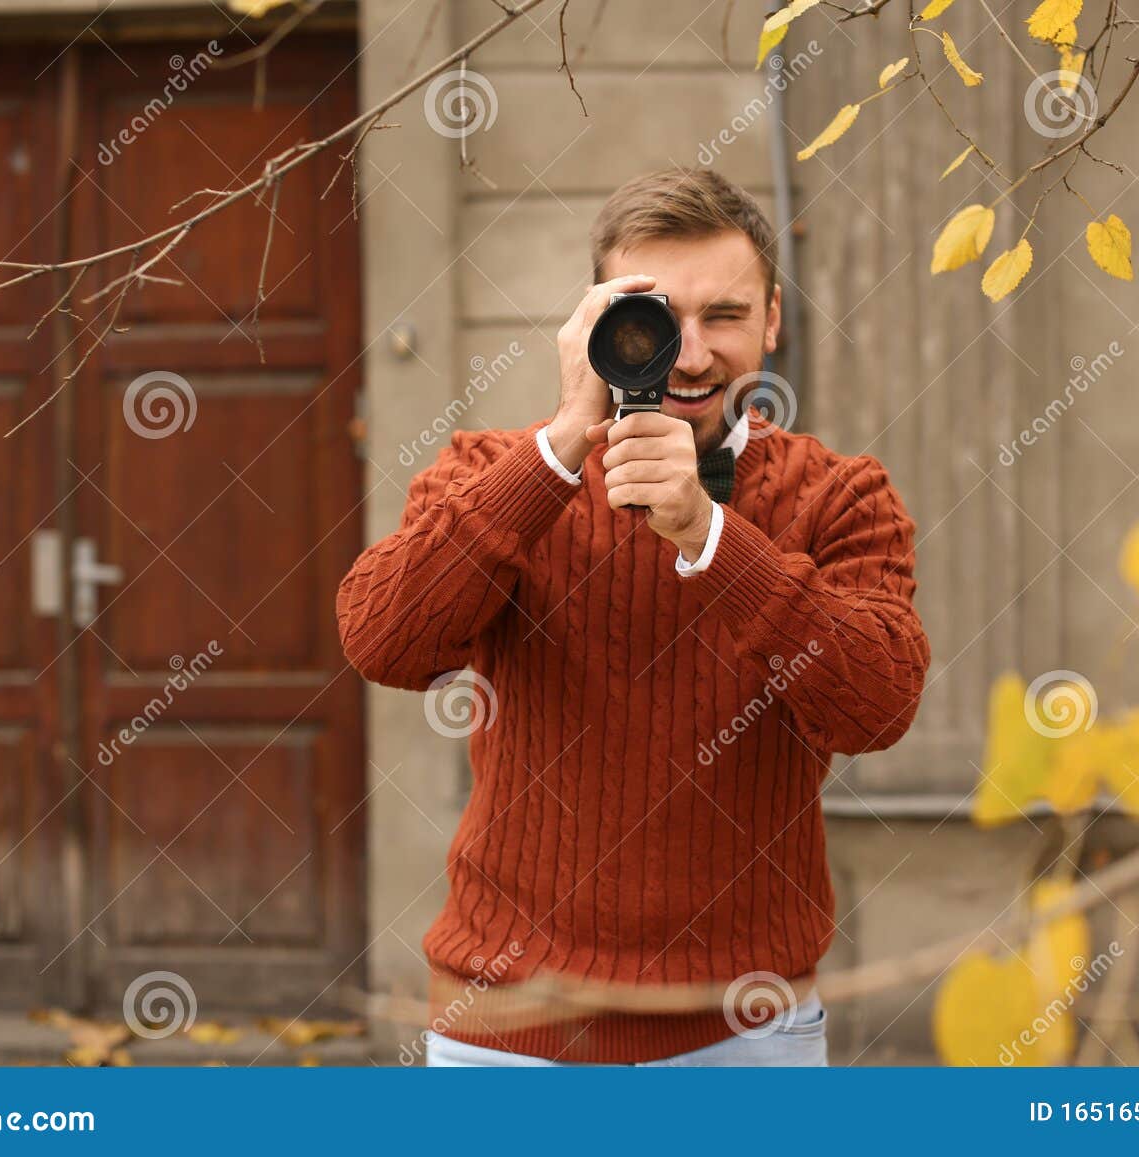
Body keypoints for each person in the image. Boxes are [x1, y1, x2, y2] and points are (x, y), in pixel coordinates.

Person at [336, 167, 929, 1066]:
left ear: (772, 318)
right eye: (654, 319)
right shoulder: (494, 470)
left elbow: (878, 706)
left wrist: (710, 534)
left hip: (742, 1026)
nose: (688, 355)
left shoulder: (839, 495)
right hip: (513, 1023)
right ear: (597, 324)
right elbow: (383, 638)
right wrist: (563, 443)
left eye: (724, 316)